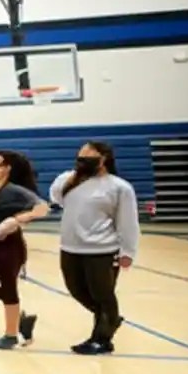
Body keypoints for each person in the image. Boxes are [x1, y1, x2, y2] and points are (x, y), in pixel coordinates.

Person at [49, 141, 140, 355]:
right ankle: (111, 317)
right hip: (70, 247)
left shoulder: (119, 187)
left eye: (88, 158)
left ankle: (102, 338)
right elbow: (56, 197)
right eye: (80, 158)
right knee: (76, 289)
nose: (82, 162)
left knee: (102, 293)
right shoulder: (68, 181)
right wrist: (72, 177)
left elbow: (128, 222)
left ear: (104, 159)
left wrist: (128, 251)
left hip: (102, 250)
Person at [0, 150, 49, 349]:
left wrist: (16, 220)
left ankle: (11, 334)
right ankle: (20, 316)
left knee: (8, 287)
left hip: (8, 245)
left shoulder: (14, 190)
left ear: (7, 169)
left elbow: (42, 207)